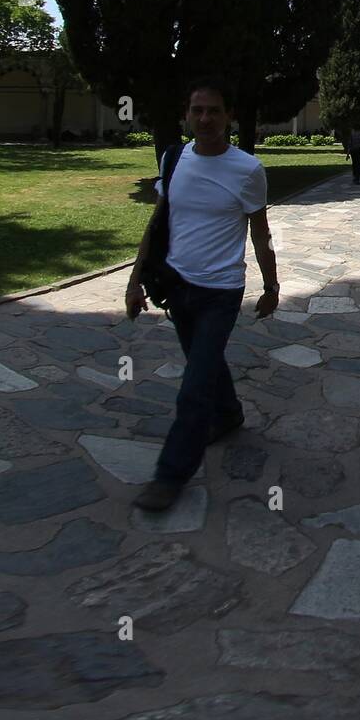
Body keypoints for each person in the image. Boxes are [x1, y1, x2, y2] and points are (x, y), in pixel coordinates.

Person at [123, 75, 278, 514]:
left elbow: (261, 234)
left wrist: (271, 285)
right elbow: (157, 224)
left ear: (229, 116)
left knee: (193, 388)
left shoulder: (248, 170)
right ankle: (228, 414)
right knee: (203, 366)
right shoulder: (174, 159)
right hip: (177, 287)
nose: (205, 118)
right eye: (197, 110)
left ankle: (170, 475)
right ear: (187, 115)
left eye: (213, 110)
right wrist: (135, 281)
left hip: (221, 292)